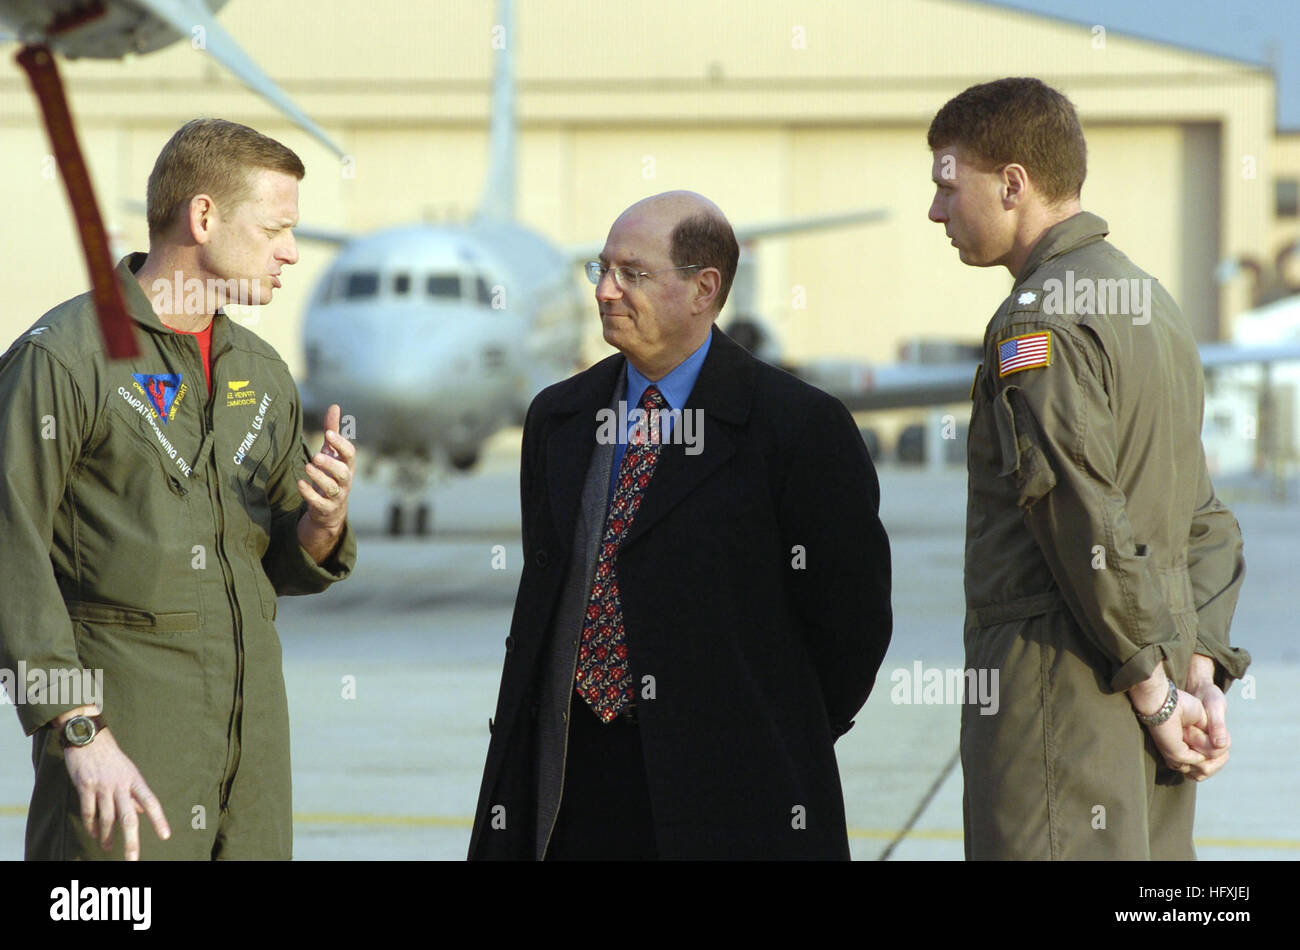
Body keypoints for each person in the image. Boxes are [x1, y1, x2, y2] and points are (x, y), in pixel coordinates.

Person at [467, 190, 892, 860]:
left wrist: (775, 729)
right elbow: (553, 589)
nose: (606, 291)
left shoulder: (798, 427)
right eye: (601, 270)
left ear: (704, 289)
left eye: (632, 274)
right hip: (572, 779)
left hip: (728, 789)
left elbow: (852, 623)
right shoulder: (559, 418)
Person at [0, 117, 357, 860]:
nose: (291, 251)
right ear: (203, 217)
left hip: (250, 748)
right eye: (275, 228)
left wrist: (321, 525)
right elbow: (10, 549)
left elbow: (274, 561)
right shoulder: (65, 360)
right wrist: (76, 728)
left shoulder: (258, 371)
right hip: (122, 743)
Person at [926, 78, 1249, 859]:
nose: (935, 211)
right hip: (1154, 676)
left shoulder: (1038, 320)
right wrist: (1195, 667)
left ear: (1012, 184)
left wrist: (1149, 685)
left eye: (946, 182)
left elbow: (1078, 513)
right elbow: (1202, 516)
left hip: (1066, 690)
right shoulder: (1147, 301)